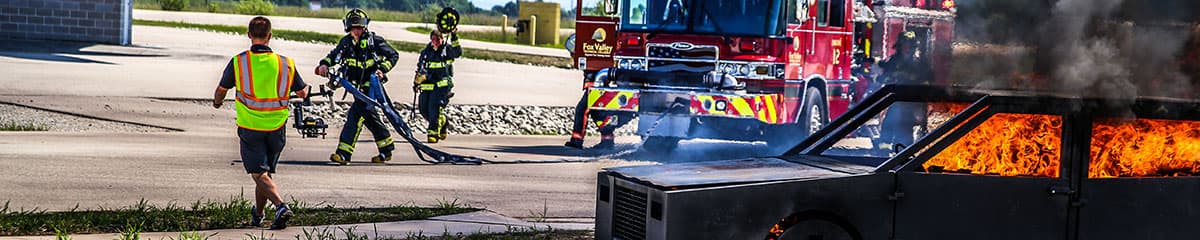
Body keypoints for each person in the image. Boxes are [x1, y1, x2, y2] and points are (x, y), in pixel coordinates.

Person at [213, 16, 307, 229]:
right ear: (270, 36)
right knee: (265, 174)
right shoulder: (285, 63)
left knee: (258, 173)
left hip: (251, 126)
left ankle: (281, 206)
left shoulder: (239, 62)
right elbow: (302, 92)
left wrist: (217, 103)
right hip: (277, 127)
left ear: (249, 35)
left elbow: (221, 89)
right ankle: (258, 214)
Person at [315, 9, 401, 165]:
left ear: (365, 26)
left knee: (355, 116)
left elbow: (393, 55)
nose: (356, 30)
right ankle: (386, 149)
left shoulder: (375, 42)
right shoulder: (346, 43)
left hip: (371, 90)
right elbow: (333, 56)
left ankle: (343, 154)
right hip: (356, 89)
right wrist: (323, 64)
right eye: (353, 27)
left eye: (360, 27)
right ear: (348, 27)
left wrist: (382, 69)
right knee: (370, 118)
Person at [876, 31, 933, 151]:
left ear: (913, 46)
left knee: (905, 129)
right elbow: (884, 76)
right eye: (903, 44)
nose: (906, 47)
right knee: (888, 124)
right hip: (896, 100)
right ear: (899, 45)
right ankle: (883, 151)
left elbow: (928, 80)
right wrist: (885, 77)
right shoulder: (894, 60)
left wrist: (913, 80)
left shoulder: (920, 63)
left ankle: (903, 153)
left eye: (908, 44)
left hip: (911, 102)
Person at [414, 29, 461, 143]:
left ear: (442, 39)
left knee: (434, 108)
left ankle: (433, 134)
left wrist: (454, 35)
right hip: (427, 85)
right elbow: (420, 67)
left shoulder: (447, 50)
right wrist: (416, 82)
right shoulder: (426, 52)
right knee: (423, 109)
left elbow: (457, 52)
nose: (435, 42)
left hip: (442, 86)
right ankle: (443, 121)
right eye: (433, 39)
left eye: (438, 39)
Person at [563, 80, 633, 150]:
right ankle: (607, 140)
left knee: (583, 109)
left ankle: (577, 140)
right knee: (598, 112)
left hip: (597, 82)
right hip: (602, 82)